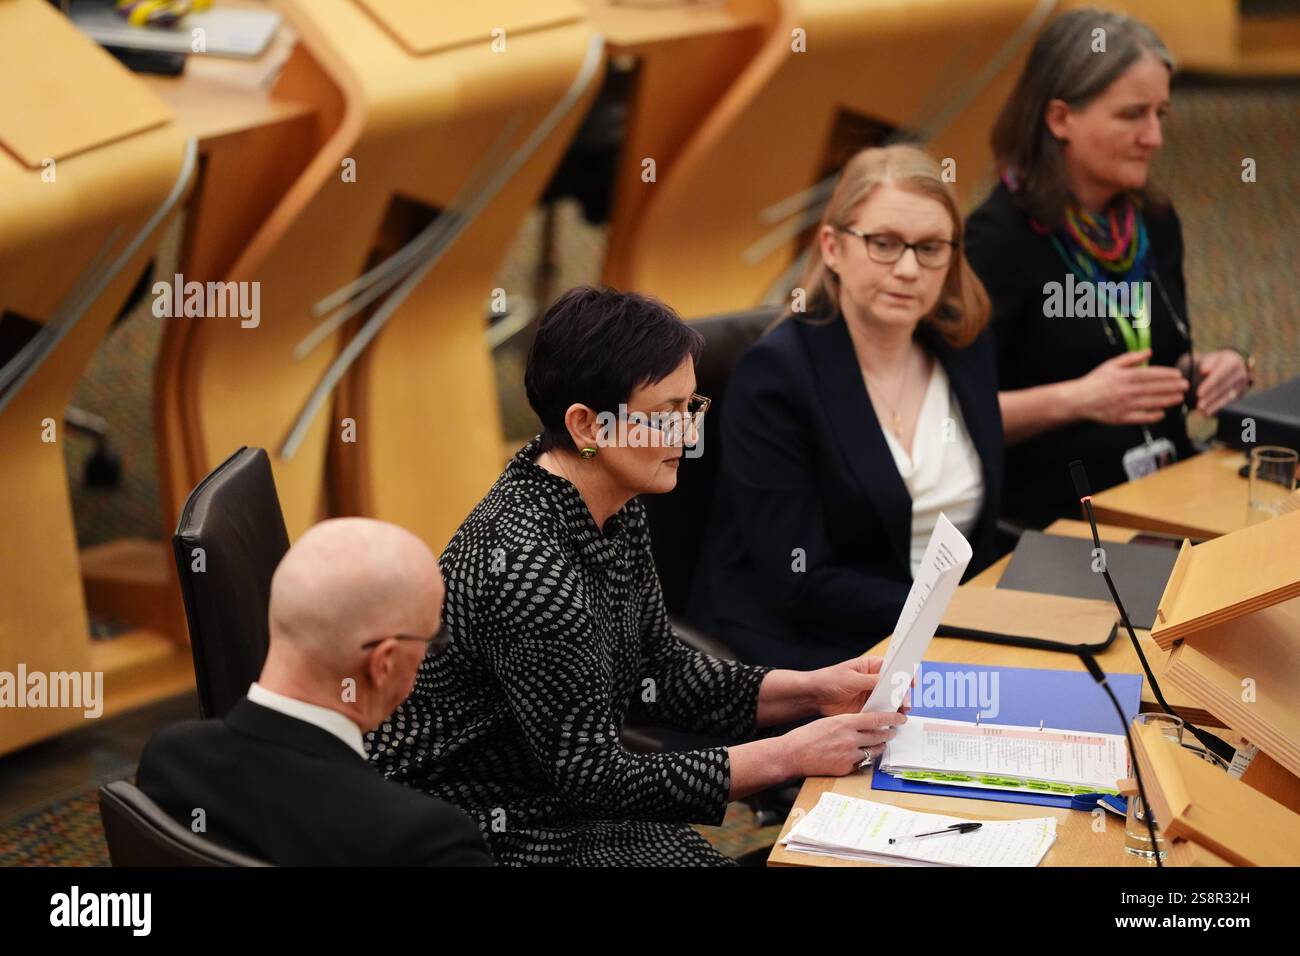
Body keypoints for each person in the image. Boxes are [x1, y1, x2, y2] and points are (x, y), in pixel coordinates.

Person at [368, 286, 909, 866]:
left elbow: (661, 672)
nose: (689, 436)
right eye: (663, 415)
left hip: (561, 803)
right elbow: (593, 778)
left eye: (691, 408)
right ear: (586, 426)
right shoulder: (527, 566)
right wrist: (789, 755)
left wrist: (813, 689)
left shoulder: (607, 499)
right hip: (481, 827)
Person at [690, 145, 1003, 670]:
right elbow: (800, 582)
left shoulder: (964, 347)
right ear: (832, 248)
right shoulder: (776, 376)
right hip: (801, 652)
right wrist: (955, 616)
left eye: (930, 248)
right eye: (884, 244)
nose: (908, 269)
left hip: (943, 637)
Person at [965, 7, 1253, 529]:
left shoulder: (1152, 221)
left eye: (1160, 114)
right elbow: (955, 417)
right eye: (1131, 115)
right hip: (1059, 519)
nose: (1155, 138)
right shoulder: (998, 239)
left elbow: (1144, 361)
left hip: (1171, 487)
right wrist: (1078, 400)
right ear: (1059, 119)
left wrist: (1213, 368)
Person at [137, 518, 492, 866]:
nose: (430, 654)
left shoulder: (168, 760)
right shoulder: (427, 841)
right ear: (383, 663)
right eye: (432, 641)